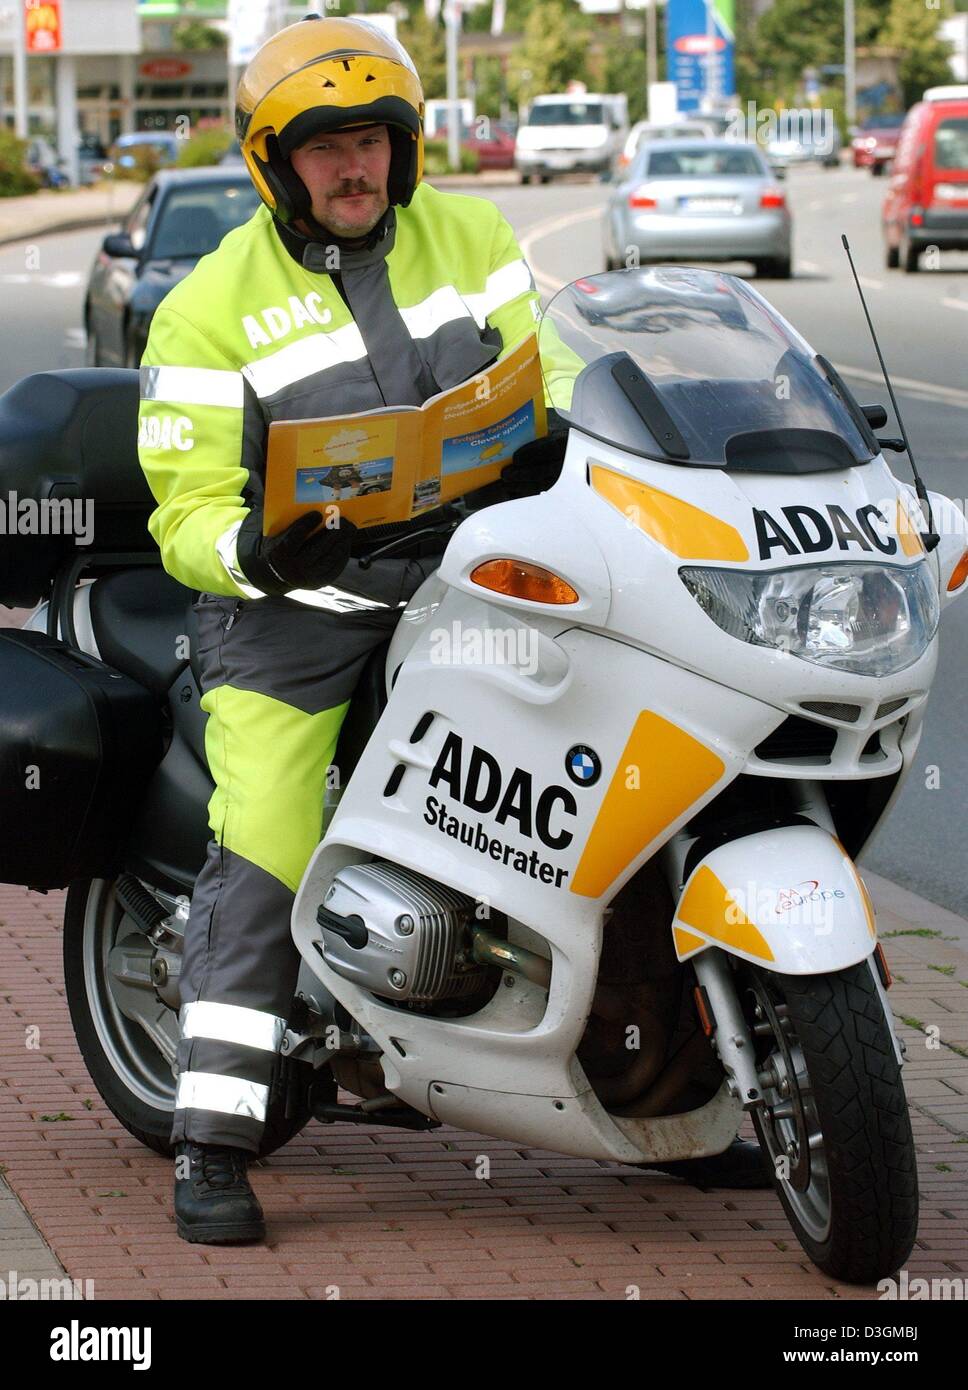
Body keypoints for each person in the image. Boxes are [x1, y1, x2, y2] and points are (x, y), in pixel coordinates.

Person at [138, 16, 767, 1247]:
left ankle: (665, 1100)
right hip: (295, 613)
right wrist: (259, 549)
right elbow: (186, 511)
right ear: (274, 162)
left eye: (370, 142)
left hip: (478, 577)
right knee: (267, 820)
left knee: (619, 784)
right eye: (323, 150)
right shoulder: (205, 308)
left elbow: (569, 371)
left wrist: (636, 419)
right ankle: (211, 1133)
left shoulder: (473, 237)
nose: (353, 168)